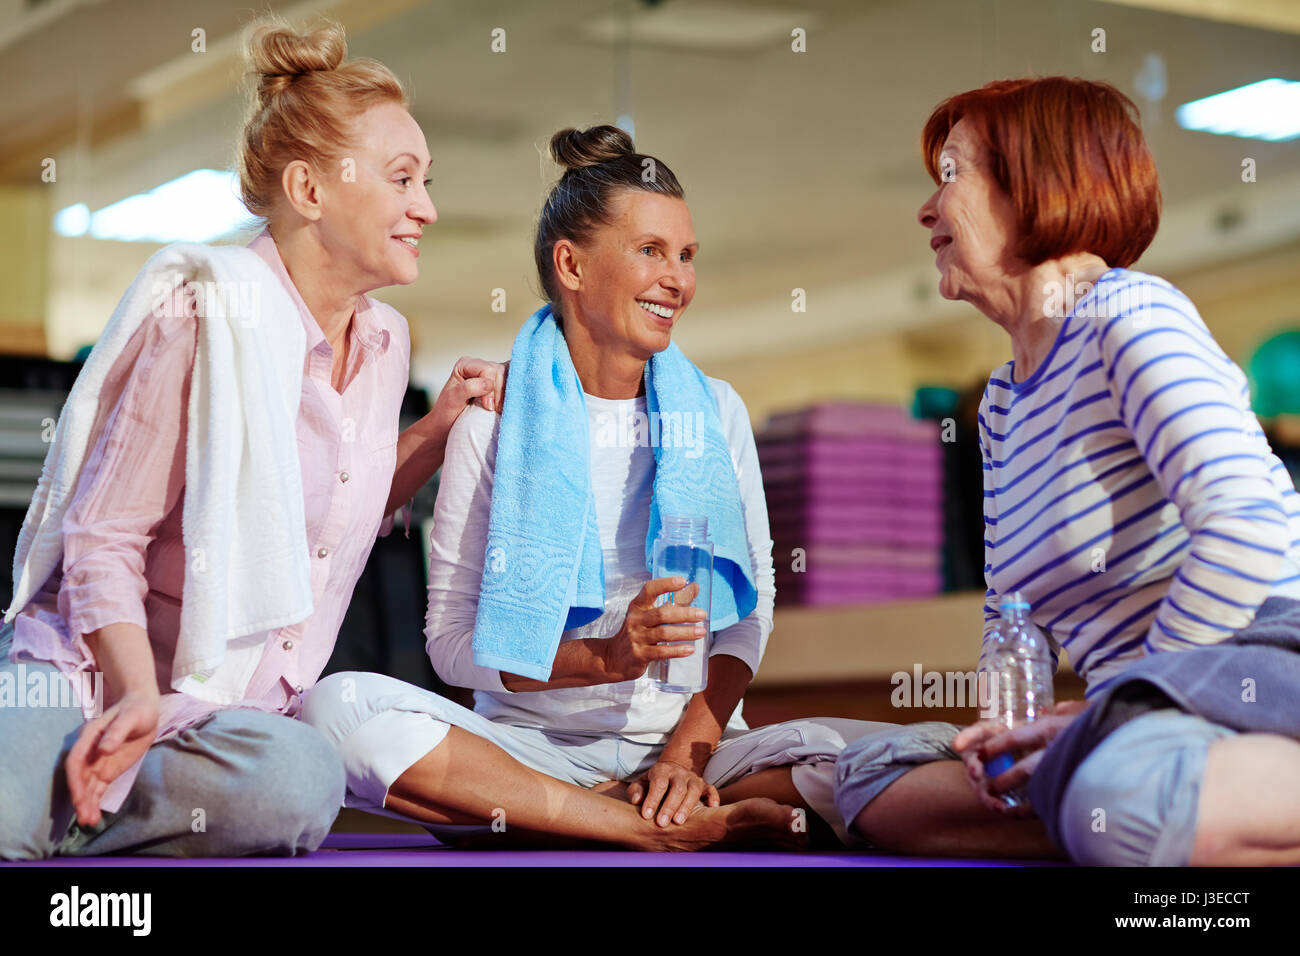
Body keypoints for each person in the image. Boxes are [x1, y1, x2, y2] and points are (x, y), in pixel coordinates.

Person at [303, 125, 889, 851]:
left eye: (686, 255)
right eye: (651, 251)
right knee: (335, 709)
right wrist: (605, 659)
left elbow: (751, 608)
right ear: (572, 265)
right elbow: (451, 645)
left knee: (889, 754)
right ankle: (635, 823)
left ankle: (604, 809)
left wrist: (686, 752)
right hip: (531, 753)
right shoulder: (495, 425)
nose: (679, 278)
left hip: (698, 754)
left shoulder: (716, 413)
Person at [0, 18, 504, 860]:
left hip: (218, 708)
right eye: (403, 178)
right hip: (91, 674)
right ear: (310, 191)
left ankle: (68, 820)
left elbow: (333, 520)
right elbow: (102, 539)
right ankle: (61, 806)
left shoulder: (386, 346)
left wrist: (438, 427)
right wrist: (131, 699)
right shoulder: (206, 314)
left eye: (426, 181)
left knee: (297, 784)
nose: (428, 207)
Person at [833, 76, 1300, 865]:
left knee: (1121, 799)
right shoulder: (1005, 402)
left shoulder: (1128, 315)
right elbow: (1010, 615)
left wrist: (1112, 711)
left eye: (950, 175)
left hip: (1252, 669)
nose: (926, 210)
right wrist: (1008, 731)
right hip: (1137, 718)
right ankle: (1119, 804)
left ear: (1035, 184)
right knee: (876, 790)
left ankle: (1128, 801)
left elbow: (1248, 527)